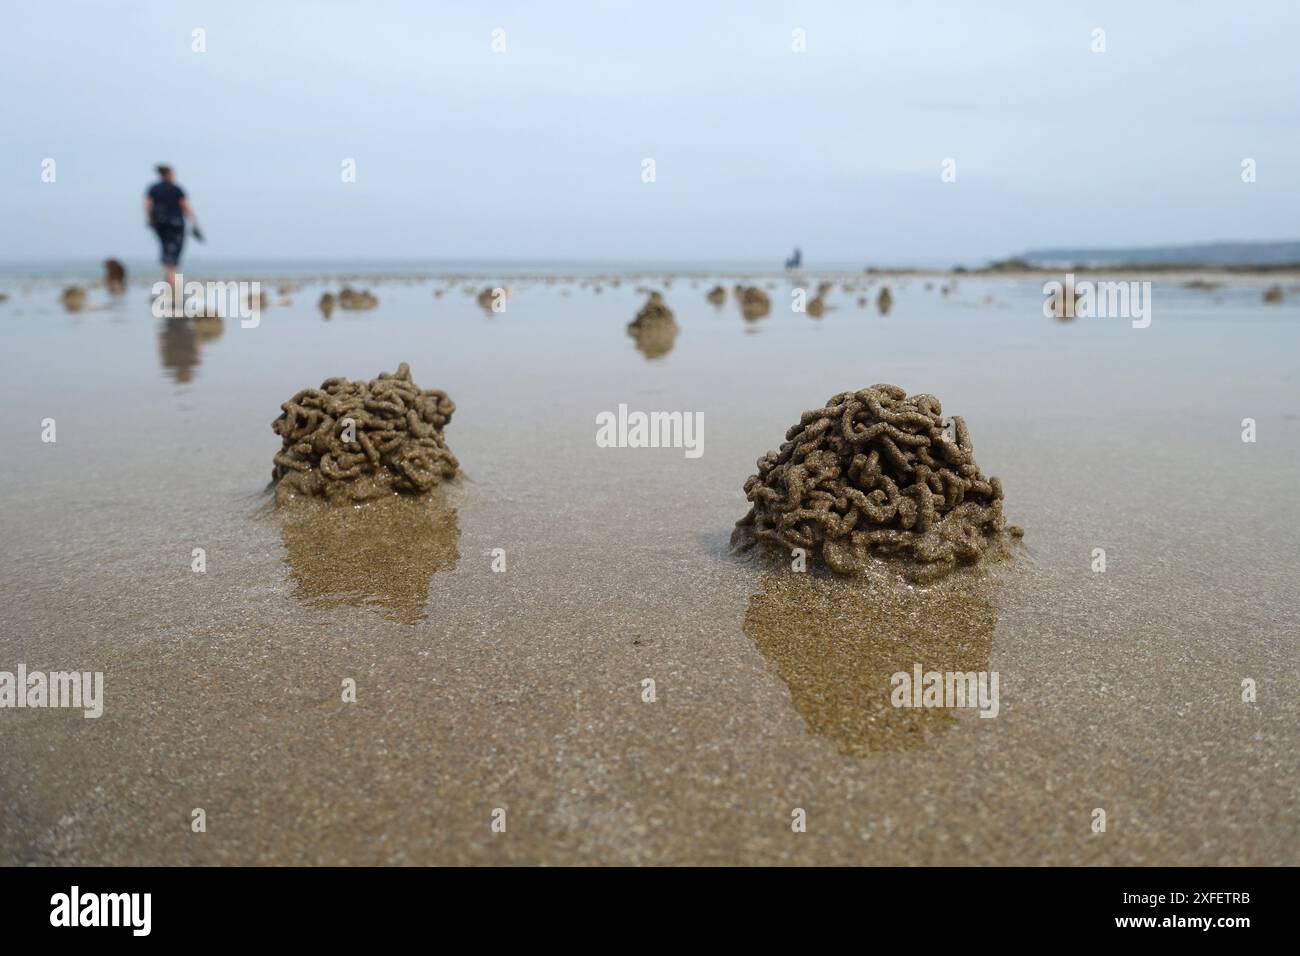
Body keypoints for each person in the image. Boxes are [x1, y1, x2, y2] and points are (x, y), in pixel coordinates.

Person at [144, 165, 202, 286]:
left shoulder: (154, 188)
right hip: (176, 223)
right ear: (169, 174)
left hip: (160, 224)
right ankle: (172, 282)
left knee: (166, 250)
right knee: (174, 252)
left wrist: (149, 219)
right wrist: (195, 223)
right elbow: (185, 206)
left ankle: (169, 279)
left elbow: (148, 204)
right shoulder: (176, 189)